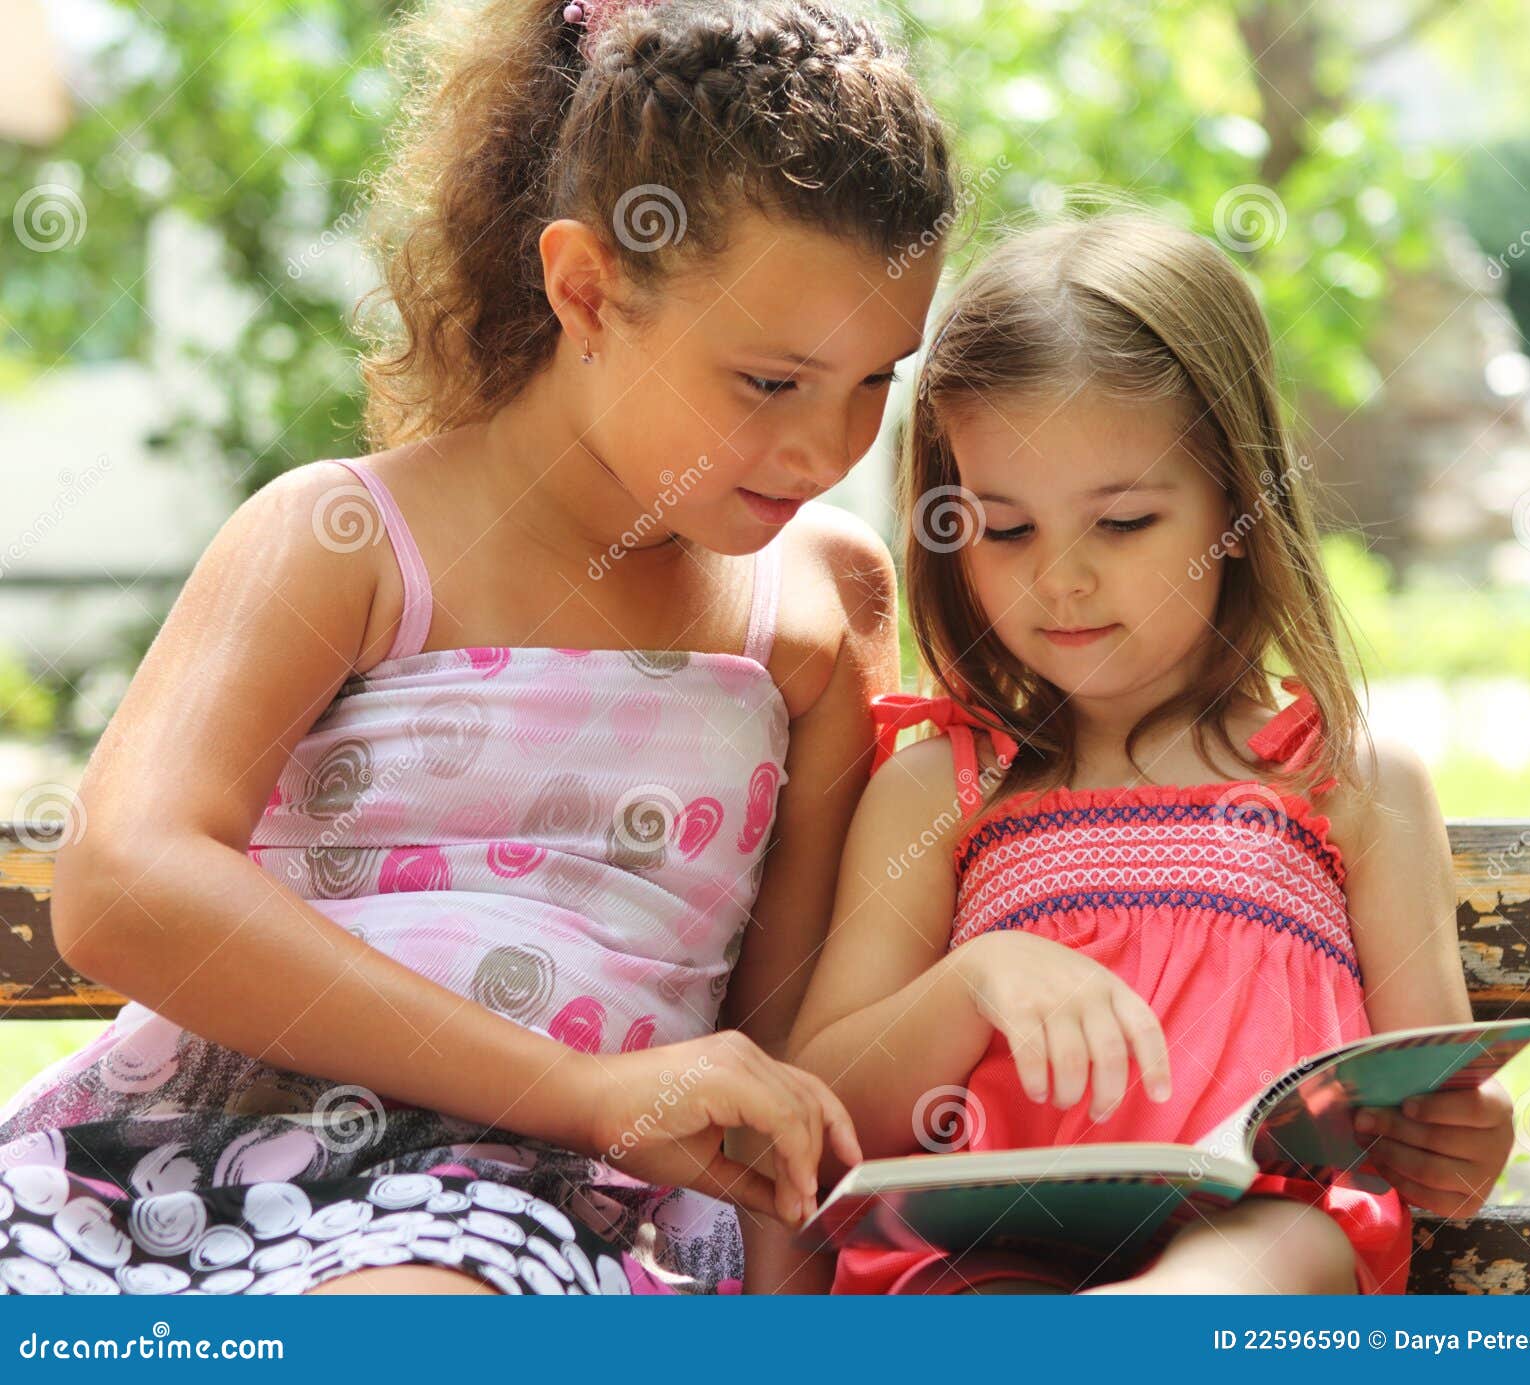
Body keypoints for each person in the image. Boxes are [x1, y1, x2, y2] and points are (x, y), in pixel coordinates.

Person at [0, 0, 956, 1296]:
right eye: (771, 381)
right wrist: (579, 1089)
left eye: (875, 380)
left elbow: (777, 1059)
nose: (826, 448)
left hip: (545, 1224)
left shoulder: (820, 601)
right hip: (194, 1178)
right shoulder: (346, 536)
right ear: (585, 291)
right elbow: (118, 885)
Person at [788, 212, 1516, 1296]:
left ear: (1237, 498)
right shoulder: (939, 786)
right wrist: (972, 982)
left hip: (1259, 1254)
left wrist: (1463, 1140)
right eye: (1004, 527)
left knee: (1283, 1243)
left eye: (1122, 522)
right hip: (981, 1254)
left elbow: (1425, 1099)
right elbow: (824, 1106)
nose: (1061, 579)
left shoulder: (1348, 778)